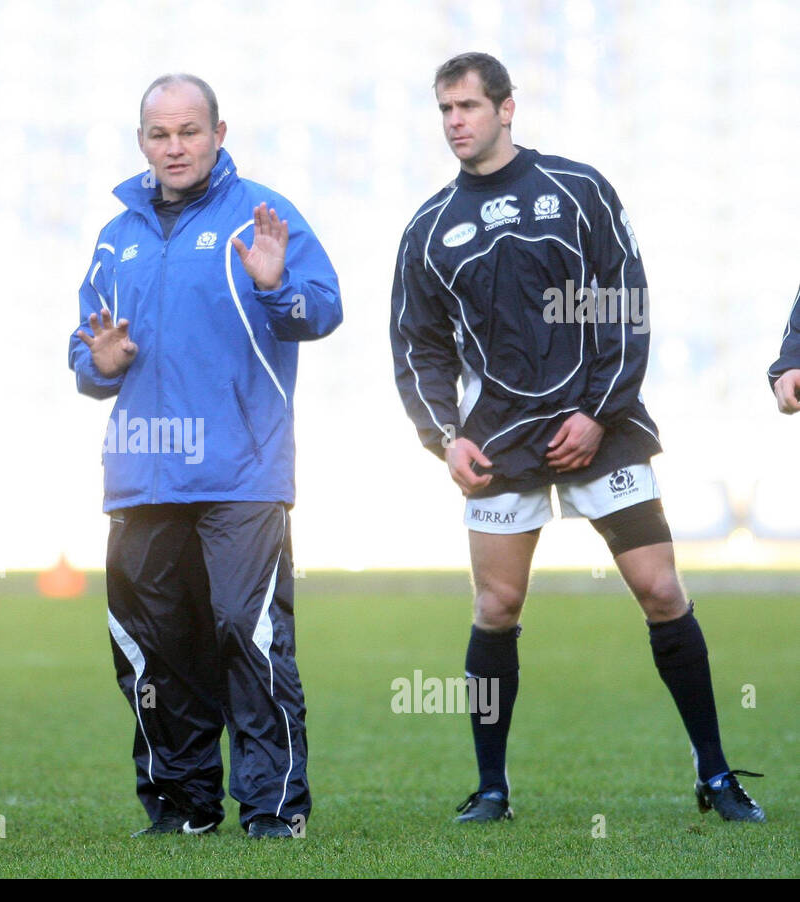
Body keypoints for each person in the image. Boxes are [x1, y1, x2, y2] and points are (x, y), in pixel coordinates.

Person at [390, 52, 764, 823]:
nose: (456, 122)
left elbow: (628, 300)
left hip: (603, 426)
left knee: (662, 591)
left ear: (507, 108)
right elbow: (417, 346)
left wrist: (598, 410)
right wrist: (445, 439)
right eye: (445, 110)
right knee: (496, 606)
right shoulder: (429, 229)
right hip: (499, 444)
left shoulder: (577, 189)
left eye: (468, 106)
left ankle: (717, 774)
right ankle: (491, 788)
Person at [69, 74, 343, 838]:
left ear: (220, 133)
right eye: (161, 134)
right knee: (153, 651)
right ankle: (183, 805)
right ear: (142, 143)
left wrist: (276, 282)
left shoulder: (261, 215)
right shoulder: (114, 235)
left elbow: (321, 310)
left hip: (240, 473)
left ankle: (272, 807)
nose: (175, 146)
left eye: (190, 131)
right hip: (139, 477)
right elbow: (83, 354)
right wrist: (104, 362)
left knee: (245, 635)